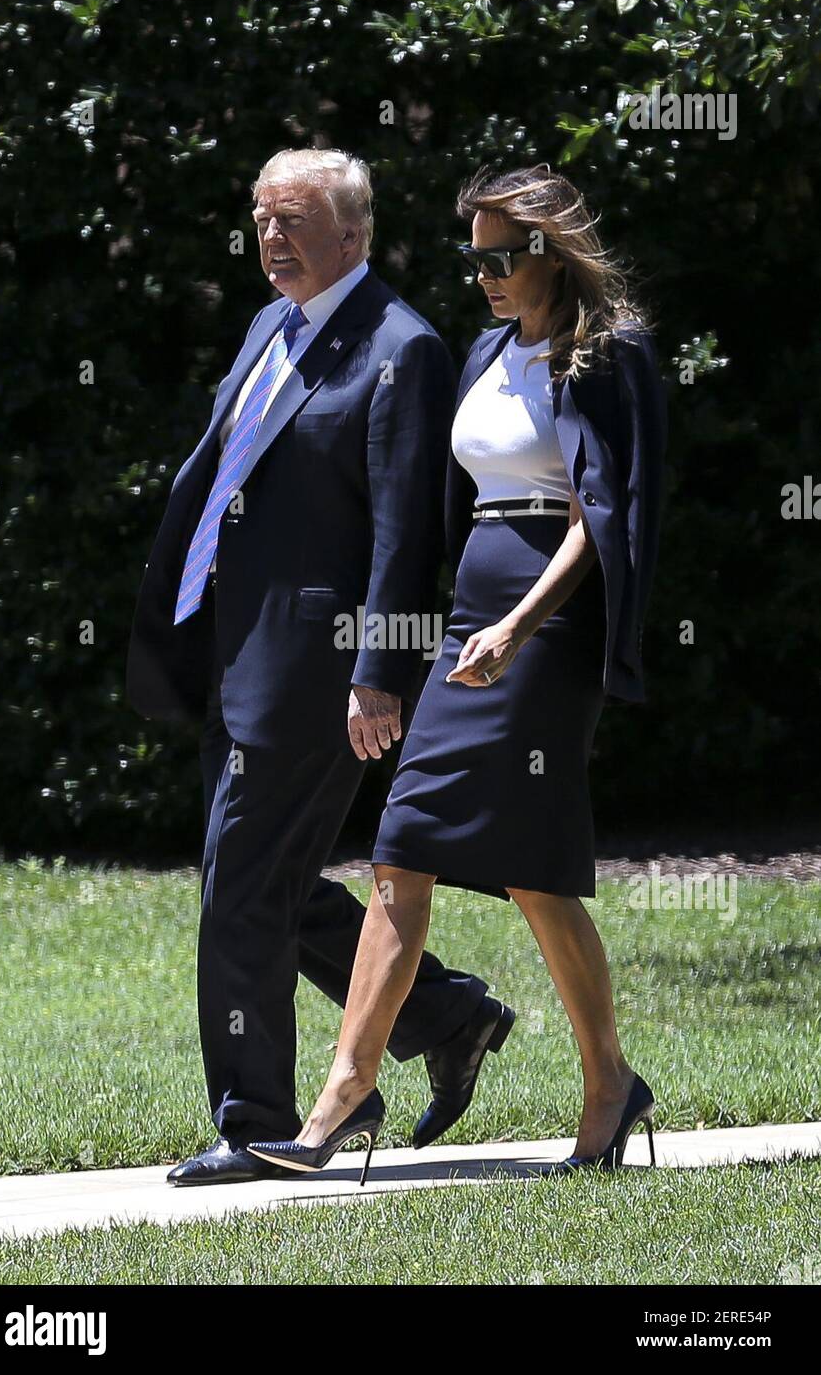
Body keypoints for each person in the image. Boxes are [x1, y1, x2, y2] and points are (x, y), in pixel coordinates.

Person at [248, 163, 667, 1185]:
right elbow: (441, 503)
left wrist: (519, 628)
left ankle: (606, 1084)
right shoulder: (486, 347)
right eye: (471, 256)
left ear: (548, 250)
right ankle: (341, 1096)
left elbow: (597, 517)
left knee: (530, 869)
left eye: (501, 255)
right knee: (400, 849)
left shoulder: (606, 355)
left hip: (544, 631)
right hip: (469, 623)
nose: (483, 274)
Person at [125, 148, 513, 1186]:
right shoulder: (267, 328)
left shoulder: (401, 346)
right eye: (259, 218)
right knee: (259, 881)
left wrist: (378, 669)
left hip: (321, 666)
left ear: (353, 234)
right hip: (235, 651)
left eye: (293, 219)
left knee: (243, 886)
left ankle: (253, 1117)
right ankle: (443, 1011)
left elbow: (404, 528)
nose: (271, 236)